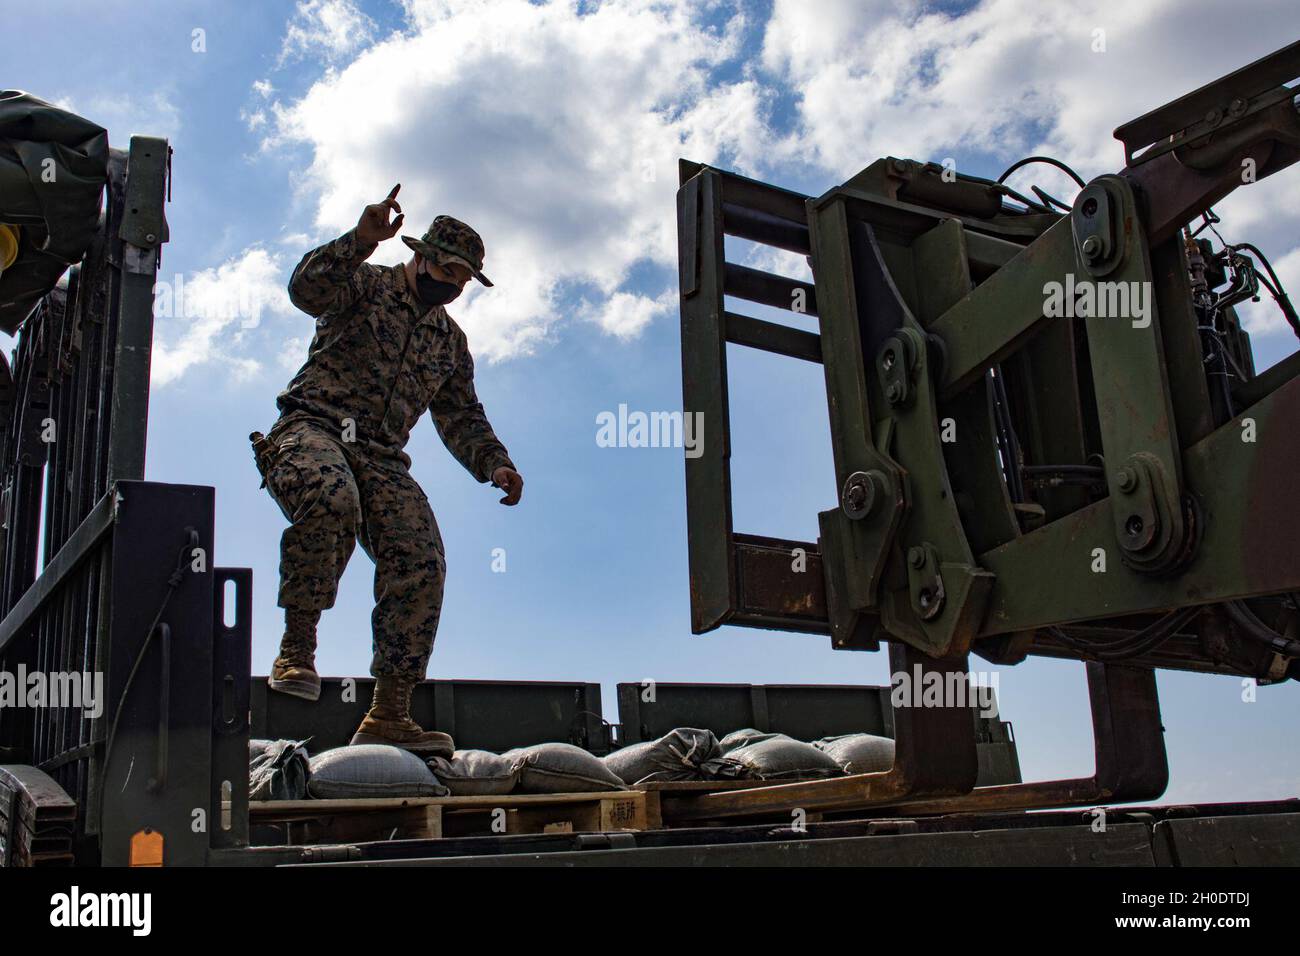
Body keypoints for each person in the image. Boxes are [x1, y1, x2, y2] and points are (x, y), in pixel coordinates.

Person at [251, 184, 522, 756]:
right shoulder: (365, 285)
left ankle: (389, 713)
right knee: (331, 499)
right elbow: (306, 290)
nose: (451, 283)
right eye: (446, 268)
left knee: (420, 555)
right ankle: (297, 649)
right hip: (312, 427)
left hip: (381, 457)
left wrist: (494, 463)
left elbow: (462, 415)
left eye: (463, 279)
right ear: (419, 255)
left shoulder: (450, 341)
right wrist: (359, 241)